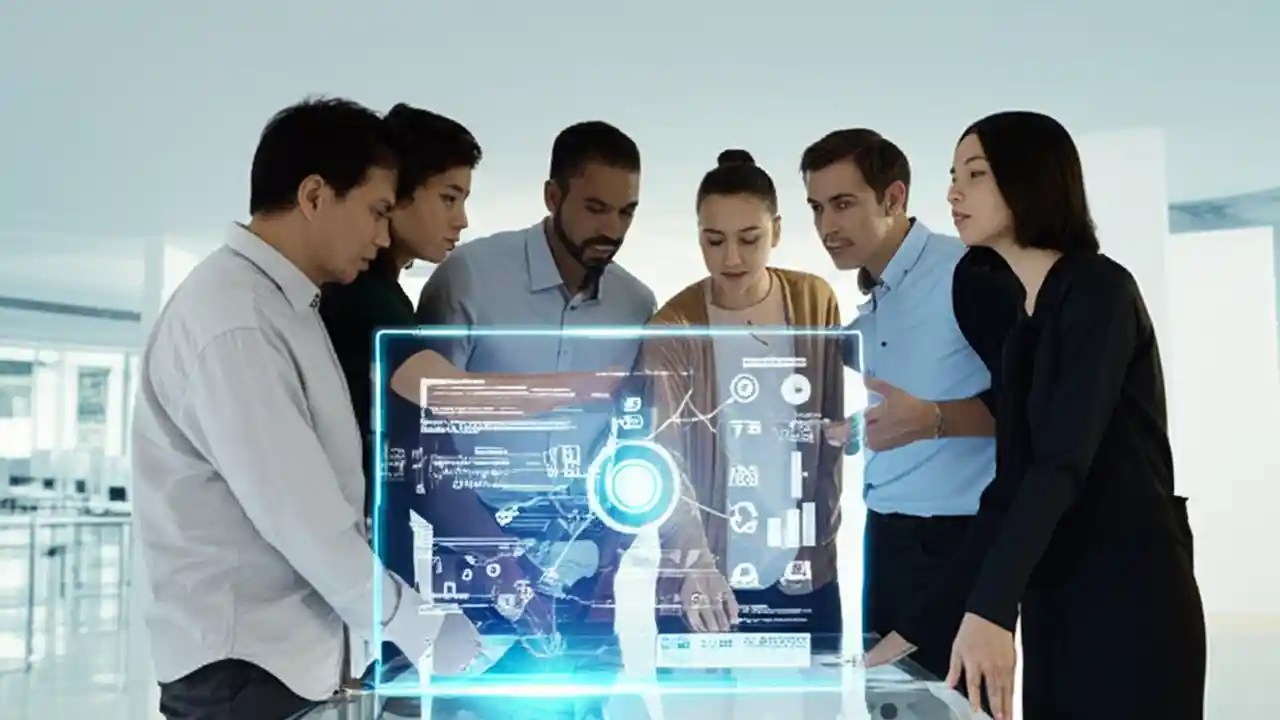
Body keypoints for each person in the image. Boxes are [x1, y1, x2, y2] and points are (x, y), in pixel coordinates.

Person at [130, 97, 481, 720]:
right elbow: (300, 517)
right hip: (244, 672)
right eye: (375, 211)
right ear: (315, 195)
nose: (382, 235)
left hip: (284, 665)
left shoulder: (289, 306)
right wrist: (416, 624)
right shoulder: (234, 318)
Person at [891, 110, 1206, 719]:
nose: (953, 191)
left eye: (975, 174)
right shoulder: (1023, 325)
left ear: (1029, 179)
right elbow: (1009, 488)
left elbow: (1061, 461)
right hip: (1056, 594)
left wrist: (989, 610)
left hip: (1133, 593)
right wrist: (918, 631)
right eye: (953, 174)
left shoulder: (1099, 290)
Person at [414, 119, 674, 718]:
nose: (612, 229)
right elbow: (424, 428)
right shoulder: (467, 277)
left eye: (627, 213)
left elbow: (632, 440)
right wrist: (487, 556)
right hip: (474, 570)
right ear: (553, 197)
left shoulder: (637, 304)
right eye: (596, 207)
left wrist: (609, 571)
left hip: (582, 582)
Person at [799, 129, 1022, 683]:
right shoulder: (874, 297)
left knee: (955, 708)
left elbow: (1030, 403)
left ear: (894, 198)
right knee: (886, 703)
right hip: (887, 536)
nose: (827, 226)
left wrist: (935, 420)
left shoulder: (968, 271)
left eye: (844, 204)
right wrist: (863, 429)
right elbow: (913, 403)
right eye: (817, 207)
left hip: (957, 542)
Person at [642, 149, 845, 649]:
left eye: (749, 239)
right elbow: (665, 458)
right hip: (703, 578)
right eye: (714, 241)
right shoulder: (673, 328)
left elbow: (831, 425)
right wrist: (694, 559)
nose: (731, 258)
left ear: (776, 230)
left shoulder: (813, 300)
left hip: (802, 573)